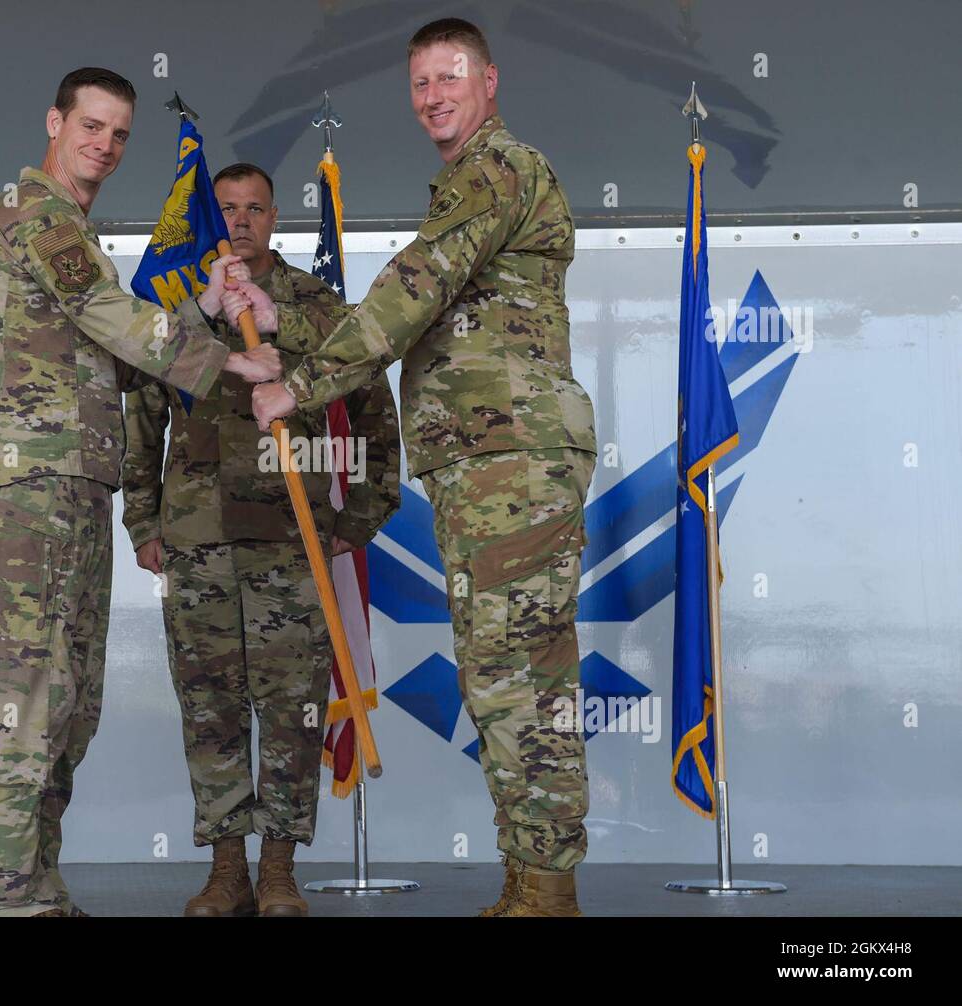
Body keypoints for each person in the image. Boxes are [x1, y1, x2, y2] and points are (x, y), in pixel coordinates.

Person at [243, 19, 598, 916]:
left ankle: (547, 888)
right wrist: (283, 318)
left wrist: (303, 384)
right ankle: (531, 880)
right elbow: (417, 302)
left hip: (512, 459)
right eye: (419, 84)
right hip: (487, 462)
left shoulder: (496, 168)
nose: (433, 96)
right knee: (502, 670)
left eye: (450, 77)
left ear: (489, 80)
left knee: (518, 671)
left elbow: (413, 290)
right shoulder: (472, 179)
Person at [0, 67, 280, 918]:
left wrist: (203, 306)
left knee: (71, 695)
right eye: (90, 126)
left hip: (75, 481)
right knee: (31, 694)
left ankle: (38, 883)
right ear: (54, 121)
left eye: (119, 133)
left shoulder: (72, 230)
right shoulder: (35, 212)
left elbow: (110, 336)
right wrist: (231, 358)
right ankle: (6, 896)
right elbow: (108, 316)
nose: (104, 144)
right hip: (33, 482)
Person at [121, 162, 400, 916]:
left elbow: (373, 407)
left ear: (276, 218)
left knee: (291, 709)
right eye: (227, 210)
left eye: (254, 209)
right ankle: (225, 870)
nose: (240, 222)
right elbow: (143, 423)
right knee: (209, 705)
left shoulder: (313, 305)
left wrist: (360, 516)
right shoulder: (179, 312)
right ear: (212, 222)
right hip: (198, 537)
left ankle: (279, 869)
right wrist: (143, 523)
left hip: (292, 539)